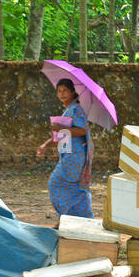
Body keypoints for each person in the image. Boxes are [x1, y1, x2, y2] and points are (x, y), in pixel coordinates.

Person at [36, 78, 93, 219]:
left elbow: (82, 131)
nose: (62, 94)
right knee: (76, 189)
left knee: (55, 184)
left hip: (74, 156)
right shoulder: (68, 110)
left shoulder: (76, 109)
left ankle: (66, 217)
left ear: (73, 92)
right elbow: (61, 136)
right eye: (59, 91)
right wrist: (45, 146)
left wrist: (60, 127)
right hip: (69, 154)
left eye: (65, 91)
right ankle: (81, 218)